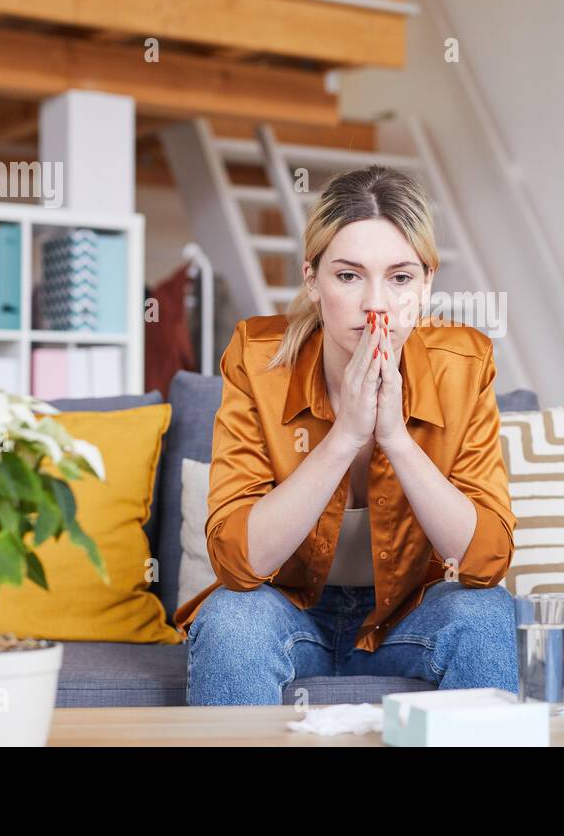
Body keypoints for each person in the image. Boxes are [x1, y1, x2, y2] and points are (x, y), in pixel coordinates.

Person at [176, 166, 519, 705]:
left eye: (401, 278)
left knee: (485, 612)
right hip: (288, 610)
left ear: (426, 284)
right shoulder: (255, 356)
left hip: (410, 615)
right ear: (312, 279)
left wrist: (397, 440)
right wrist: (343, 438)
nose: (376, 304)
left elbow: (485, 562)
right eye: (349, 276)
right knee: (231, 618)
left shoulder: (466, 363)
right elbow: (240, 564)